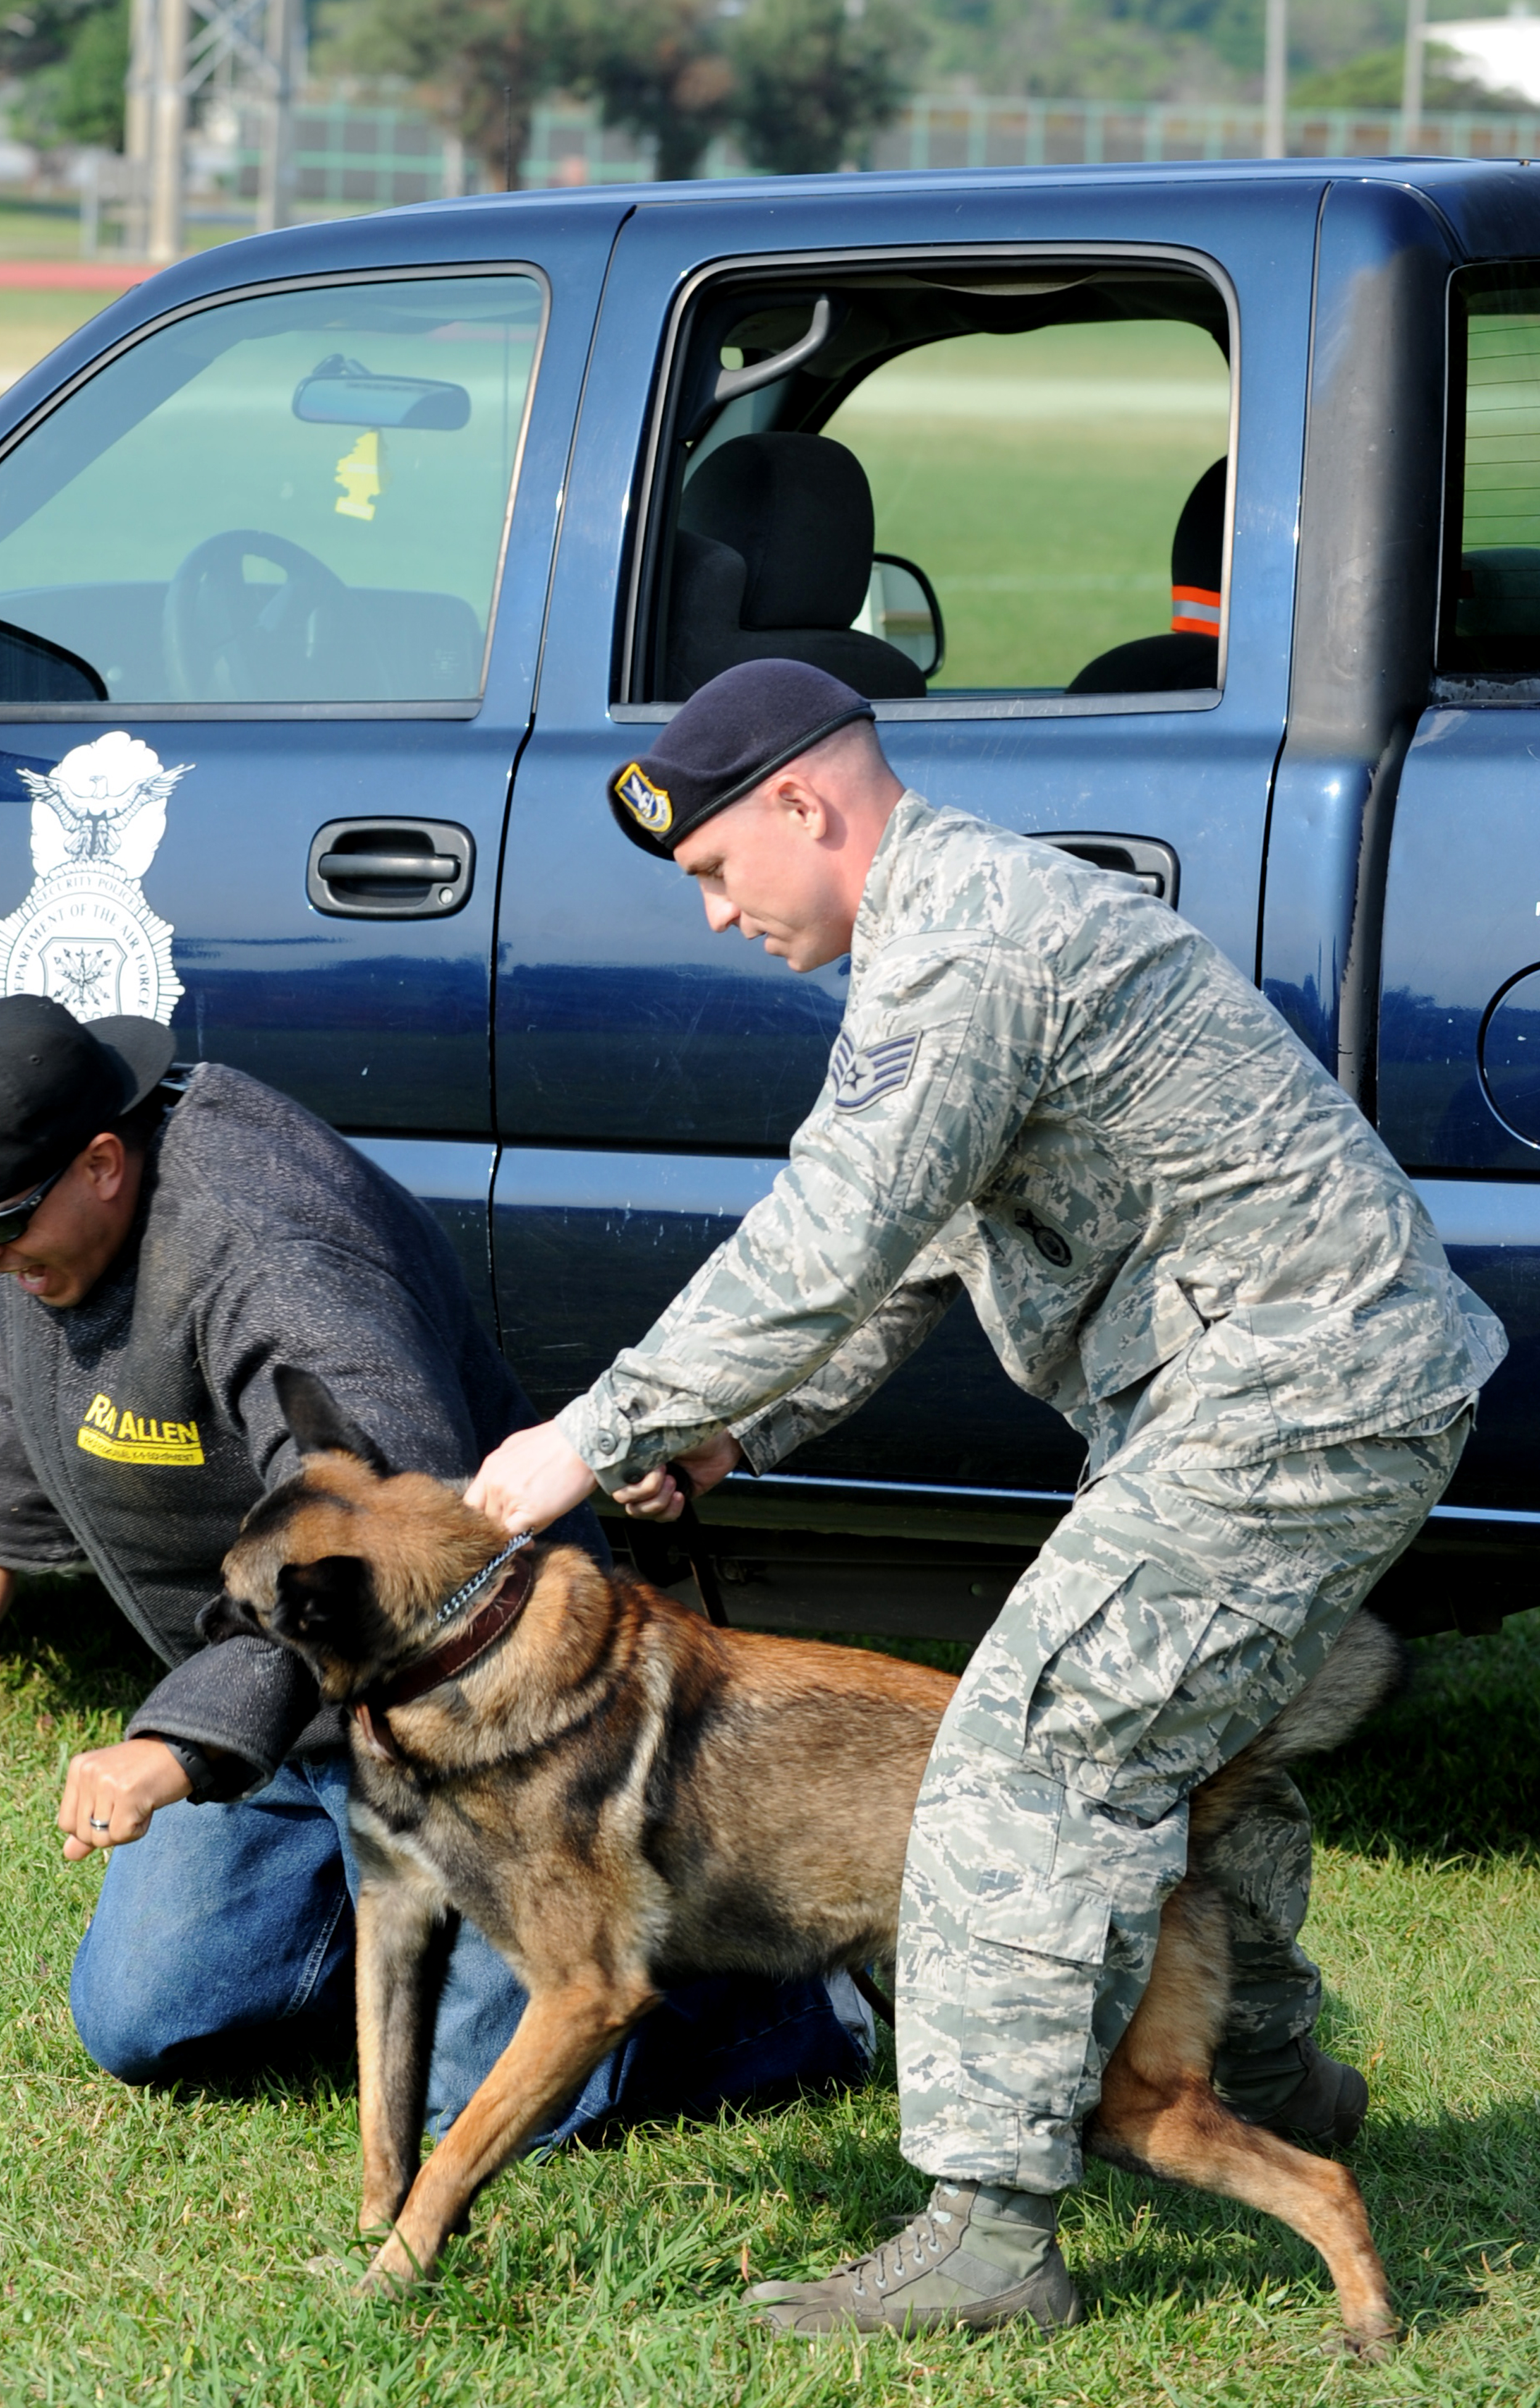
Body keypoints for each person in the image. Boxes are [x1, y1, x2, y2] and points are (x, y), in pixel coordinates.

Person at [466, 658, 1506, 2335]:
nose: (718, 914)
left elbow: (834, 1228)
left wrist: (594, 1433)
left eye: (718, 868)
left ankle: (989, 2233)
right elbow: (918, 1244)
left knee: (1029, 1747)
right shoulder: (948, 938)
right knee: (1168, 1738)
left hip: (1300, 1391)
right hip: (1301, 1387)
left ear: (804, 803)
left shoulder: (970, 947)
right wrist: (746, 1426)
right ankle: (1273, 2083)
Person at [0, 992, 869, 2128]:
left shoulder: (277, 1255)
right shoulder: (40, 1213)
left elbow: (379, 1576)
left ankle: (784, 2002)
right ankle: (390, 1941)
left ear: (104, 1162)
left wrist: (180, 1744)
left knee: (483, 2113)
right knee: (145, 2018)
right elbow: (37, 1356)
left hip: (466, 1713)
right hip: (284, 1700)